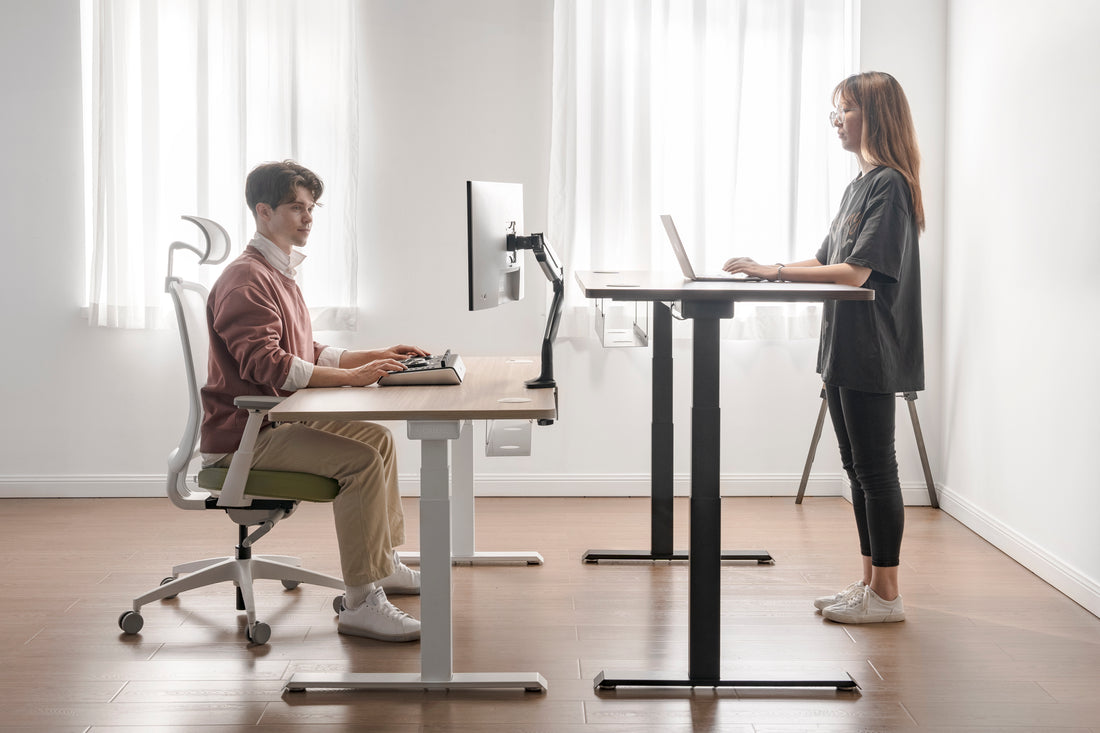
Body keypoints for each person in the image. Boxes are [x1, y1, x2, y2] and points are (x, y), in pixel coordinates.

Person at [723, 71, 924, 624]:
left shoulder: (891, 185)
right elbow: (824, 257)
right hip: (843, 346)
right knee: (855, 469)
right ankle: (869, 584)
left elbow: (857, 273)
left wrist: (775, 271)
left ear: (875, 117)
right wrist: (769, 270)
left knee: (876, 469)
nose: (836, 121)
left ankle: (888, 595)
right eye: (834, 111)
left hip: (872, 347)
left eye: (845, 110)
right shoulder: (858, 186)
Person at [200, 160, 428, 641]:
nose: (307, 218)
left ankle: (381, 566)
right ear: (263, 212)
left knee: (377, 440)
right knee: (361, 462)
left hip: (268, 425)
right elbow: (273, 368)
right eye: (295, 208)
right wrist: (353, 377)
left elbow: (304, 350)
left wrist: (372, 356)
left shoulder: (277, 272)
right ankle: (361, 603)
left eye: (311, 209)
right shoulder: (247, 279)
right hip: (244, 436)